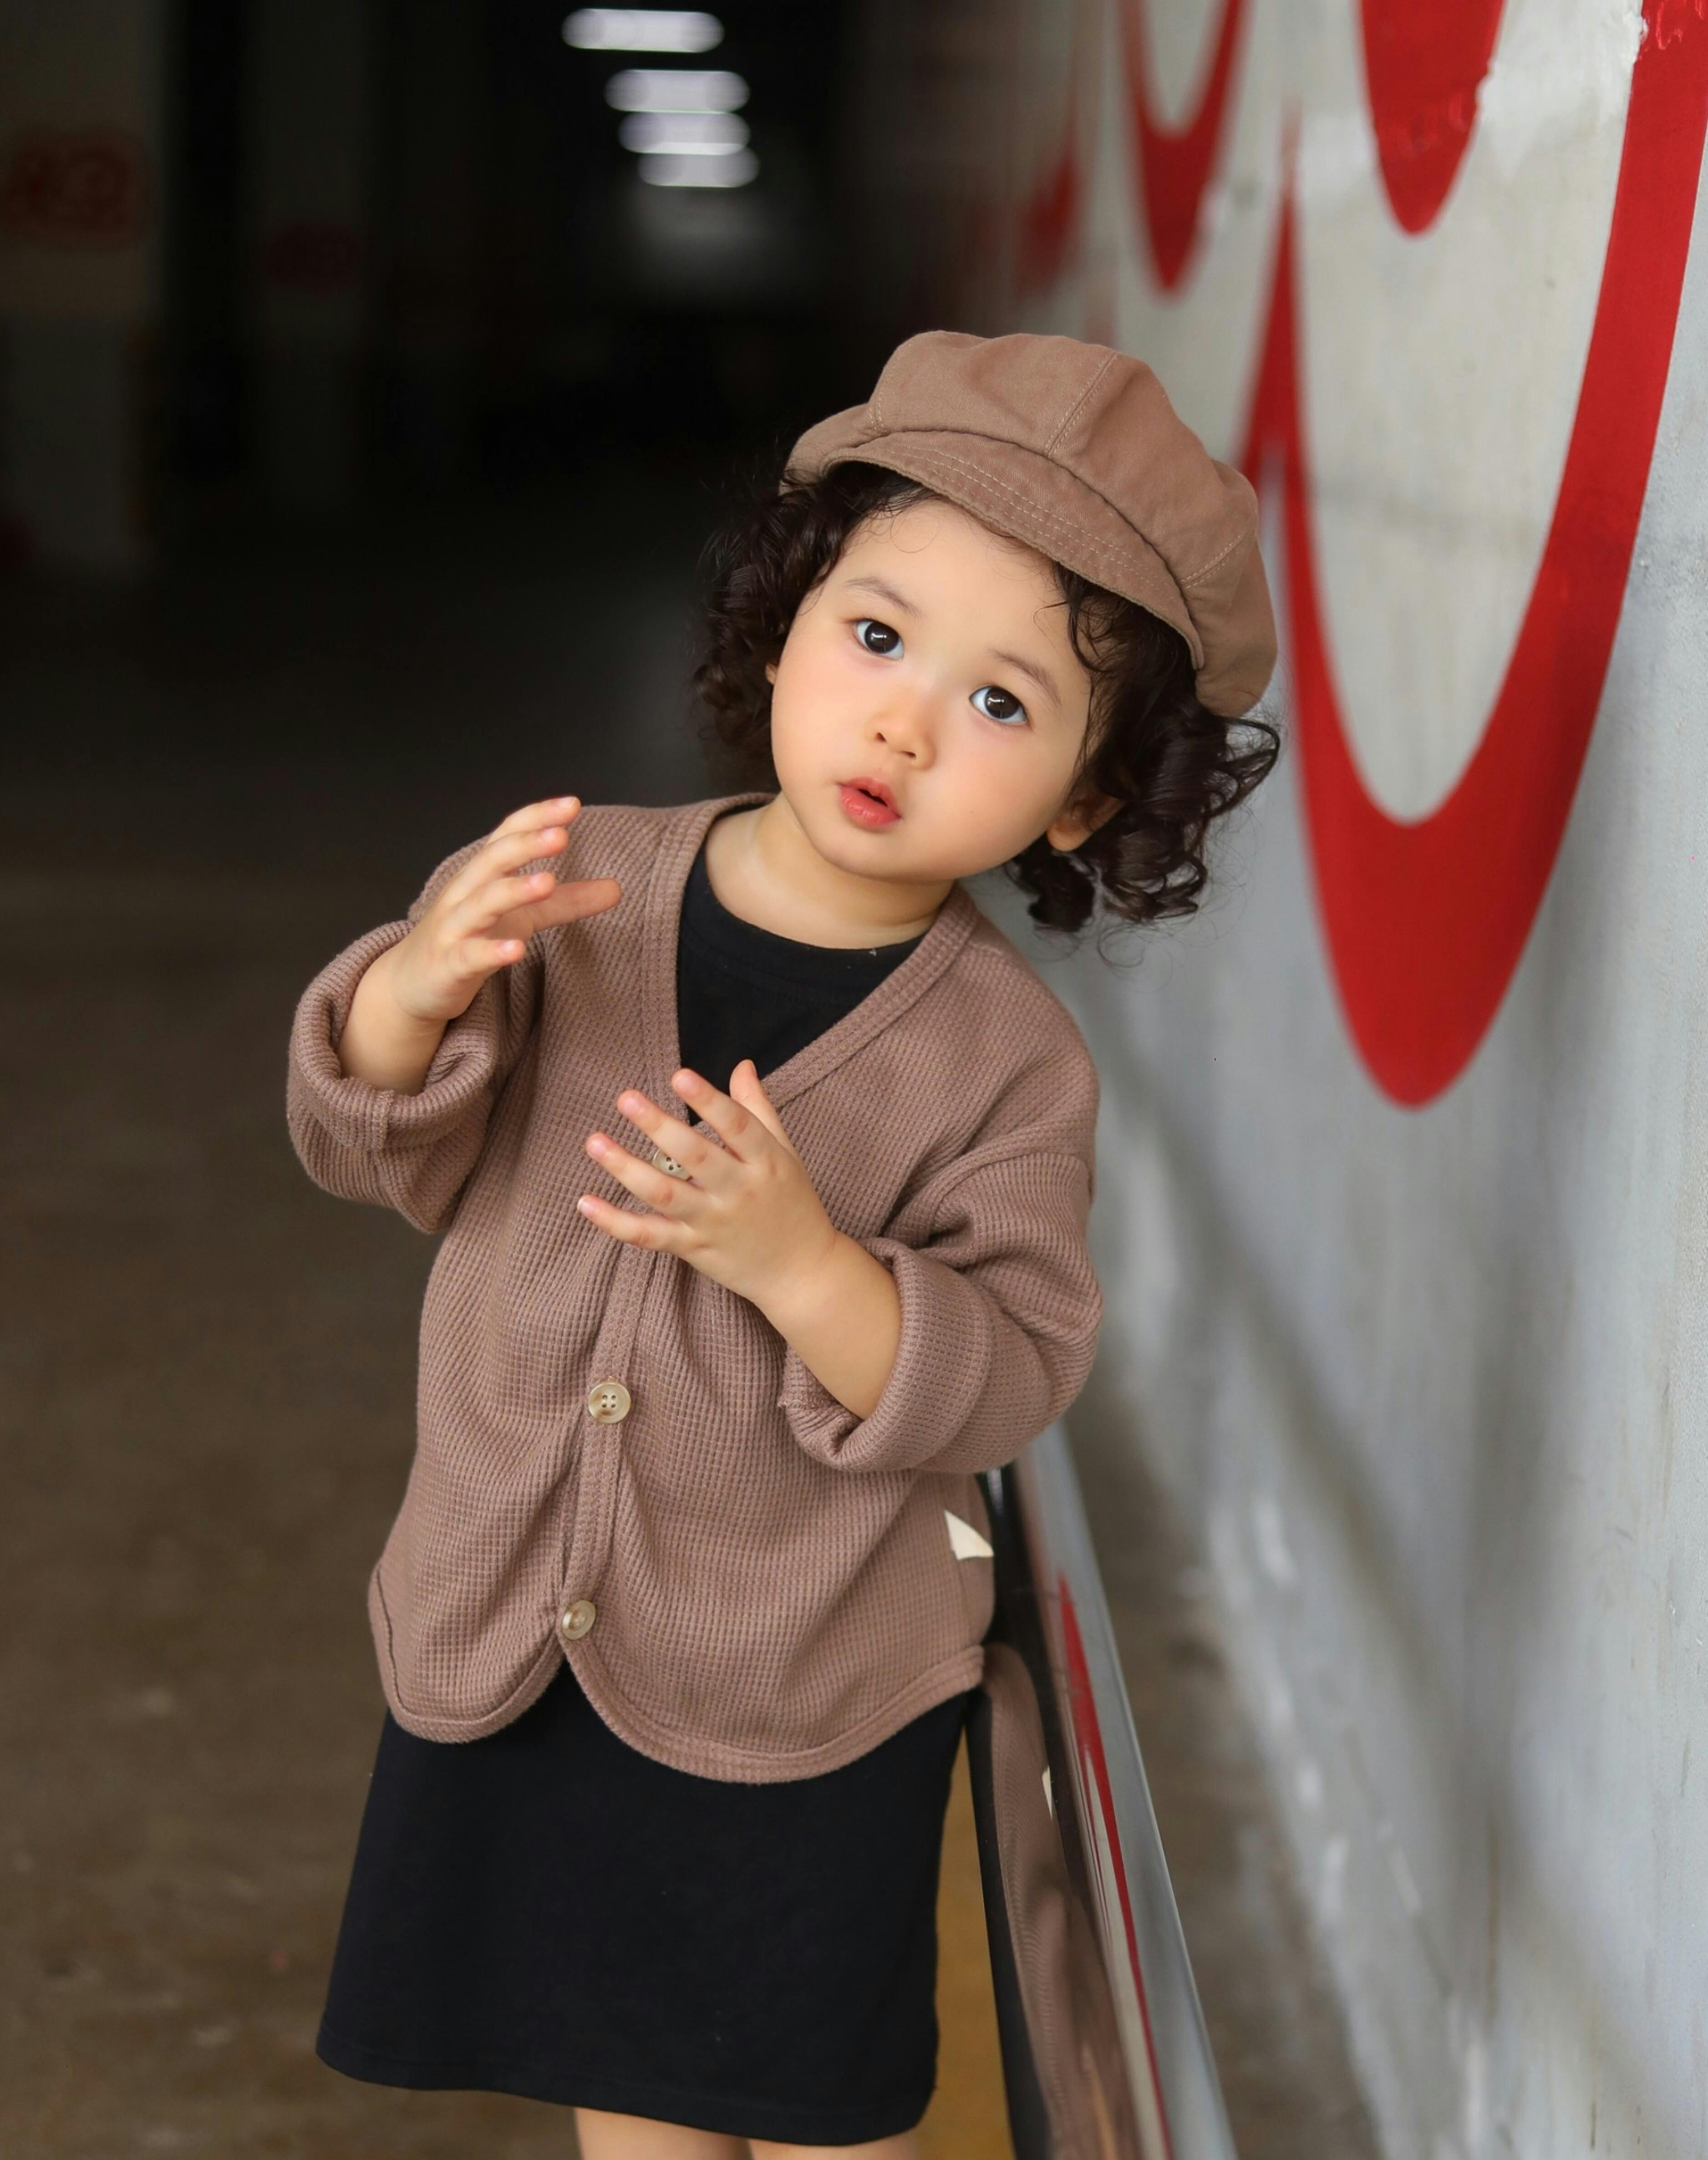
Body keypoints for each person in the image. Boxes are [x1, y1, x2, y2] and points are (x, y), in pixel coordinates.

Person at [287, 330, 1279, 2158]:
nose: (905, 722)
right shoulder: (578, 890)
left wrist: (806, 1265)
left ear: (1083, 799)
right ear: (783, 621)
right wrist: (409, 989)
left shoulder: (1002, 1058)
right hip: (527, 1645)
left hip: (811, 1691)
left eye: (1003, 703)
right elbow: (375, 1144)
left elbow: (1012, 1363)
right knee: (628, 2095)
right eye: (877, 634)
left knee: (824, 2108)